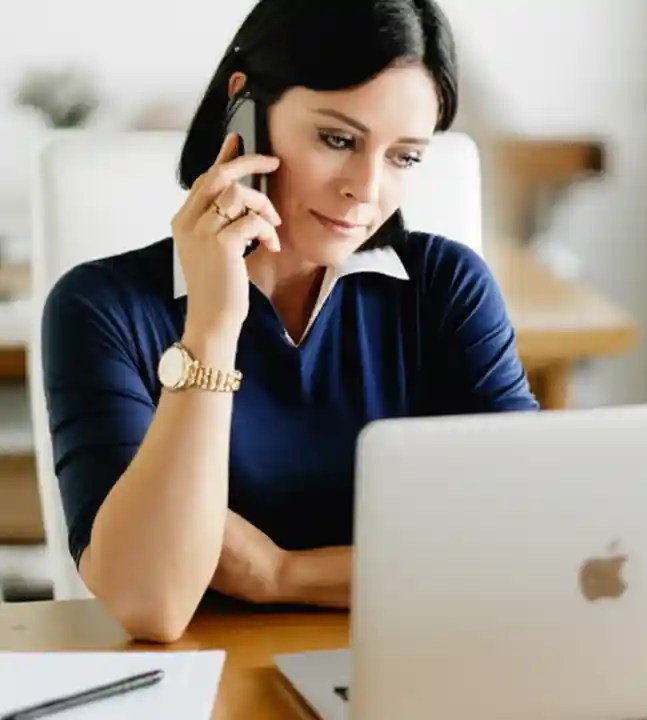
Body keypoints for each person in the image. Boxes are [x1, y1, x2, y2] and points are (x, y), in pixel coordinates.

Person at [40, 0, 537, 643]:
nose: (366, 187)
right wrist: (213, 332)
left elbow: (527, 548)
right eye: (338, 139)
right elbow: (151, 602)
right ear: (244, 112)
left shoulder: (444, 289)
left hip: (402, 671)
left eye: (404, 158)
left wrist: (281, 574)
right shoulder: (101, 309)